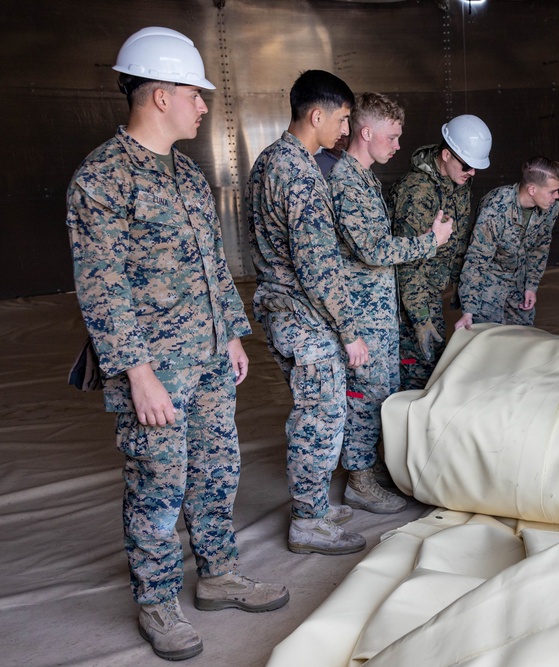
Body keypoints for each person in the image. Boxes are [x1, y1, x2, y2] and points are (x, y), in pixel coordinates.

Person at [65, 27, 288, 661]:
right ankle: (157, 601)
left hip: (211, 358)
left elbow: (214, 263)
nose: (203, 104)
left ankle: (217, 576)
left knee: (218, 471)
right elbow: (102, 288)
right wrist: (137, 375)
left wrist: (234, 336)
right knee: (159, 483)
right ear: (160, 95)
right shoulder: (102, 180)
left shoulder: (187, 176)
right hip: (155, 370)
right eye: (196, 93)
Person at [246, 70, 371, 557]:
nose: (346, 131)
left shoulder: (270, 160)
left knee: (317, 412)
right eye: (342, 120)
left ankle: (314, 503)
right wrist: (350, 331)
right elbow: (319, 266)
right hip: (304, 317)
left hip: (282, 308)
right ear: (316, 115)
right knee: (320, 417)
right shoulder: (299, 173)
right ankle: (308, 521)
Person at [330, 92, 453, 513]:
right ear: (367, 133)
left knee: (381, 390)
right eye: (393, 137)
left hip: (377, 311)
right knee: (364, 394)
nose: (399, 146)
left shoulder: (365, 178)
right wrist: (430, 242)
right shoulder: (346, 181)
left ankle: (368, 467)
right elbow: (372, 250)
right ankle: (359, 480)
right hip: (361, 313)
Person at [388, 114, 493, 390]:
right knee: (417, 371)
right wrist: (421, 318)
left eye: (476, 168)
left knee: (433, 363)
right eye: (468, 165)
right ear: (446, 154)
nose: (473, 173)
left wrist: (459, 285)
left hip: (434, 290)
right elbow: (406, 262)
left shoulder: (458, 182)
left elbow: (457, 239)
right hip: (410, 296)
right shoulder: (418, 190)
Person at [454, 156, 559, 330]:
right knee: (487, 339)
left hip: (518, 284)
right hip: (489, 285)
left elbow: (540, 248)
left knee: (523, 340)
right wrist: (469, 309)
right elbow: (477, 259)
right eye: (552, 191)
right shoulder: (496, 208)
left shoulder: (549, 209)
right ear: (533, 189)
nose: (557, 196)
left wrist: (531, 286)